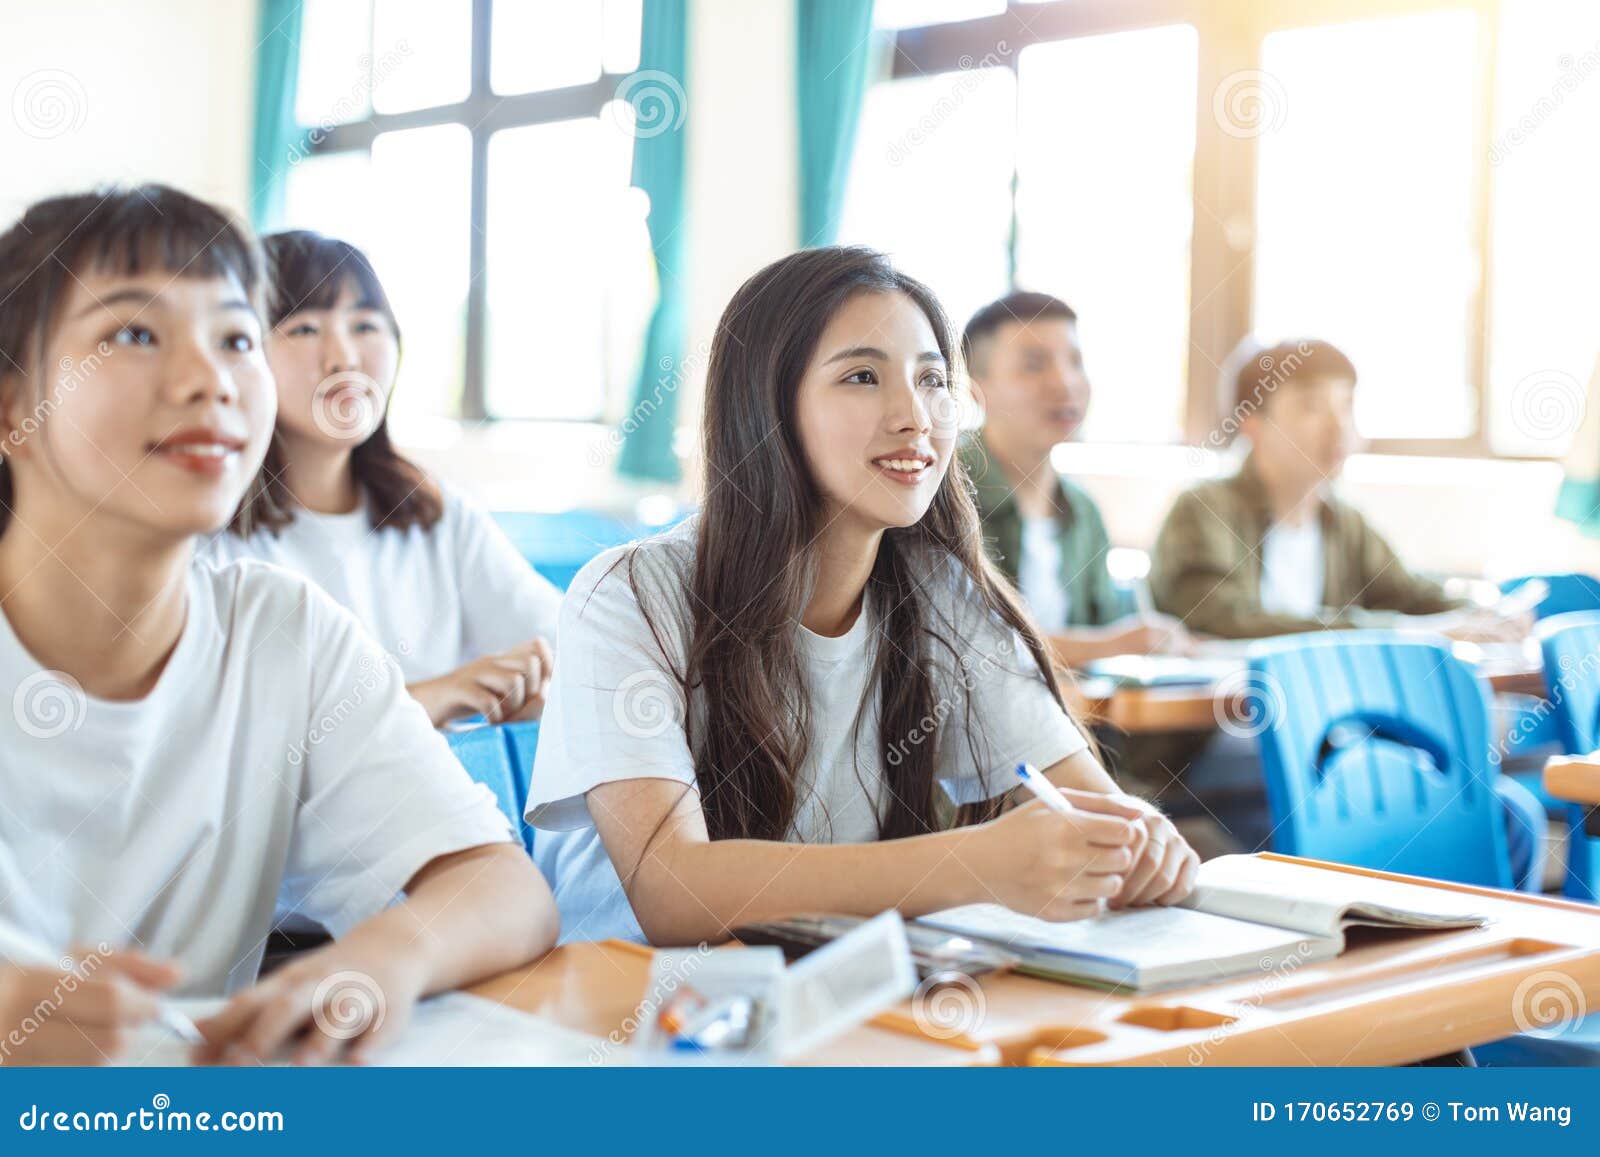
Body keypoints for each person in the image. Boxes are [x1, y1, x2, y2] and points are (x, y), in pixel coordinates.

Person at [0, 186, 558, 1065]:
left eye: (234, 337)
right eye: (136, 332)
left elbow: (502, 886)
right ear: (11, 408)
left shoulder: (284, 630)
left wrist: (376, 962)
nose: (209, 378)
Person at [525, 247, 1198, 945]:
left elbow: (1092, 805)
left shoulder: (938, 591)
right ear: (768, 406)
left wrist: (1140, 842)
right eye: (862, 376)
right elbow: (674, 890)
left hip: (833, 995)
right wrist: (975, 863)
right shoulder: (628, 595)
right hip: (631, 1015)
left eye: (932, 378)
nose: (915, 416)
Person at [205, 230, 559, 727]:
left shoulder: (437, 516)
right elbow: (247, 737)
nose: (344, 357)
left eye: (366, 325)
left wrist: (537, 688)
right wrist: (436, 696)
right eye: (304, 328)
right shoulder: (210, 538)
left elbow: (568, 643)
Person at [960, 291, 1189, 664]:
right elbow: (967, 644)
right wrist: (1111, 646)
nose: (1065, 383)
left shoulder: (1082, 510)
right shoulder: (944, 492)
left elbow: (1114, 630)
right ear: (976, 388)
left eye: (1076, 362)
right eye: (1034, 365)